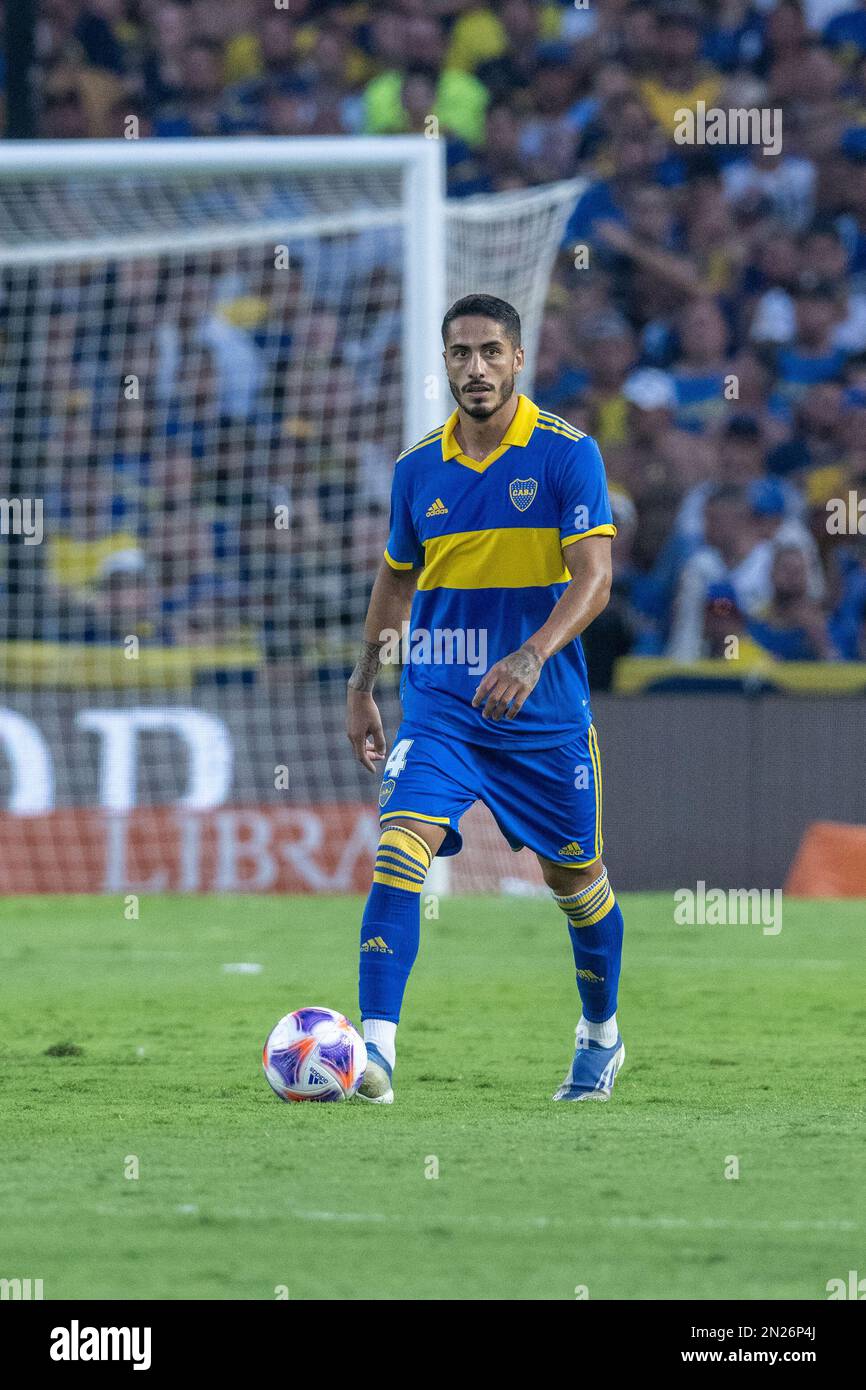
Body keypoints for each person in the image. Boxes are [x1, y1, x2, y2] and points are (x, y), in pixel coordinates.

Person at [346, 294, 625, 1103]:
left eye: (491, 352)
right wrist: (364, 682)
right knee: (399, 849)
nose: (476, 368)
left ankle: (600, 1034)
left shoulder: (568, 455)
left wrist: (534, 654)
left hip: (544, 718)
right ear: (445, 364)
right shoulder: (416, 470)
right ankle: (376, 1056)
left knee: (577, 886)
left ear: (518, 358)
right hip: (441, 706)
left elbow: (596, 580)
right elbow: (397, 580)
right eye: (461, 353)